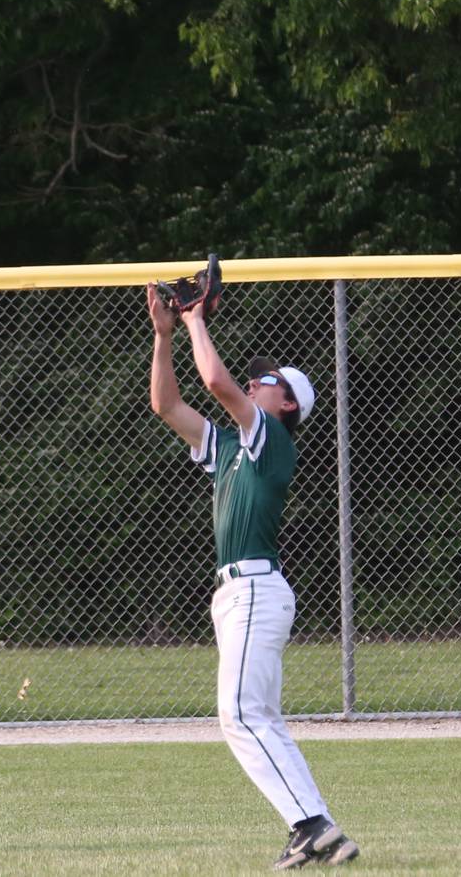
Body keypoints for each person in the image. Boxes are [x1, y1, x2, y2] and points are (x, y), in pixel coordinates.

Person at [147, 283, 359, 870]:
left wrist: (194, 319)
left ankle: (312, 825)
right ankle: (316, 828)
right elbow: (167, 406)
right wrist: (164, 334)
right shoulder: (232, 448)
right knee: (259, 717)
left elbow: (217, 383)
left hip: (255, 591)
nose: (254, 382)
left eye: (267, 381)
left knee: (239, 714)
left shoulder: (272, 442)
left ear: (287, 405)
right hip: (239, 595)